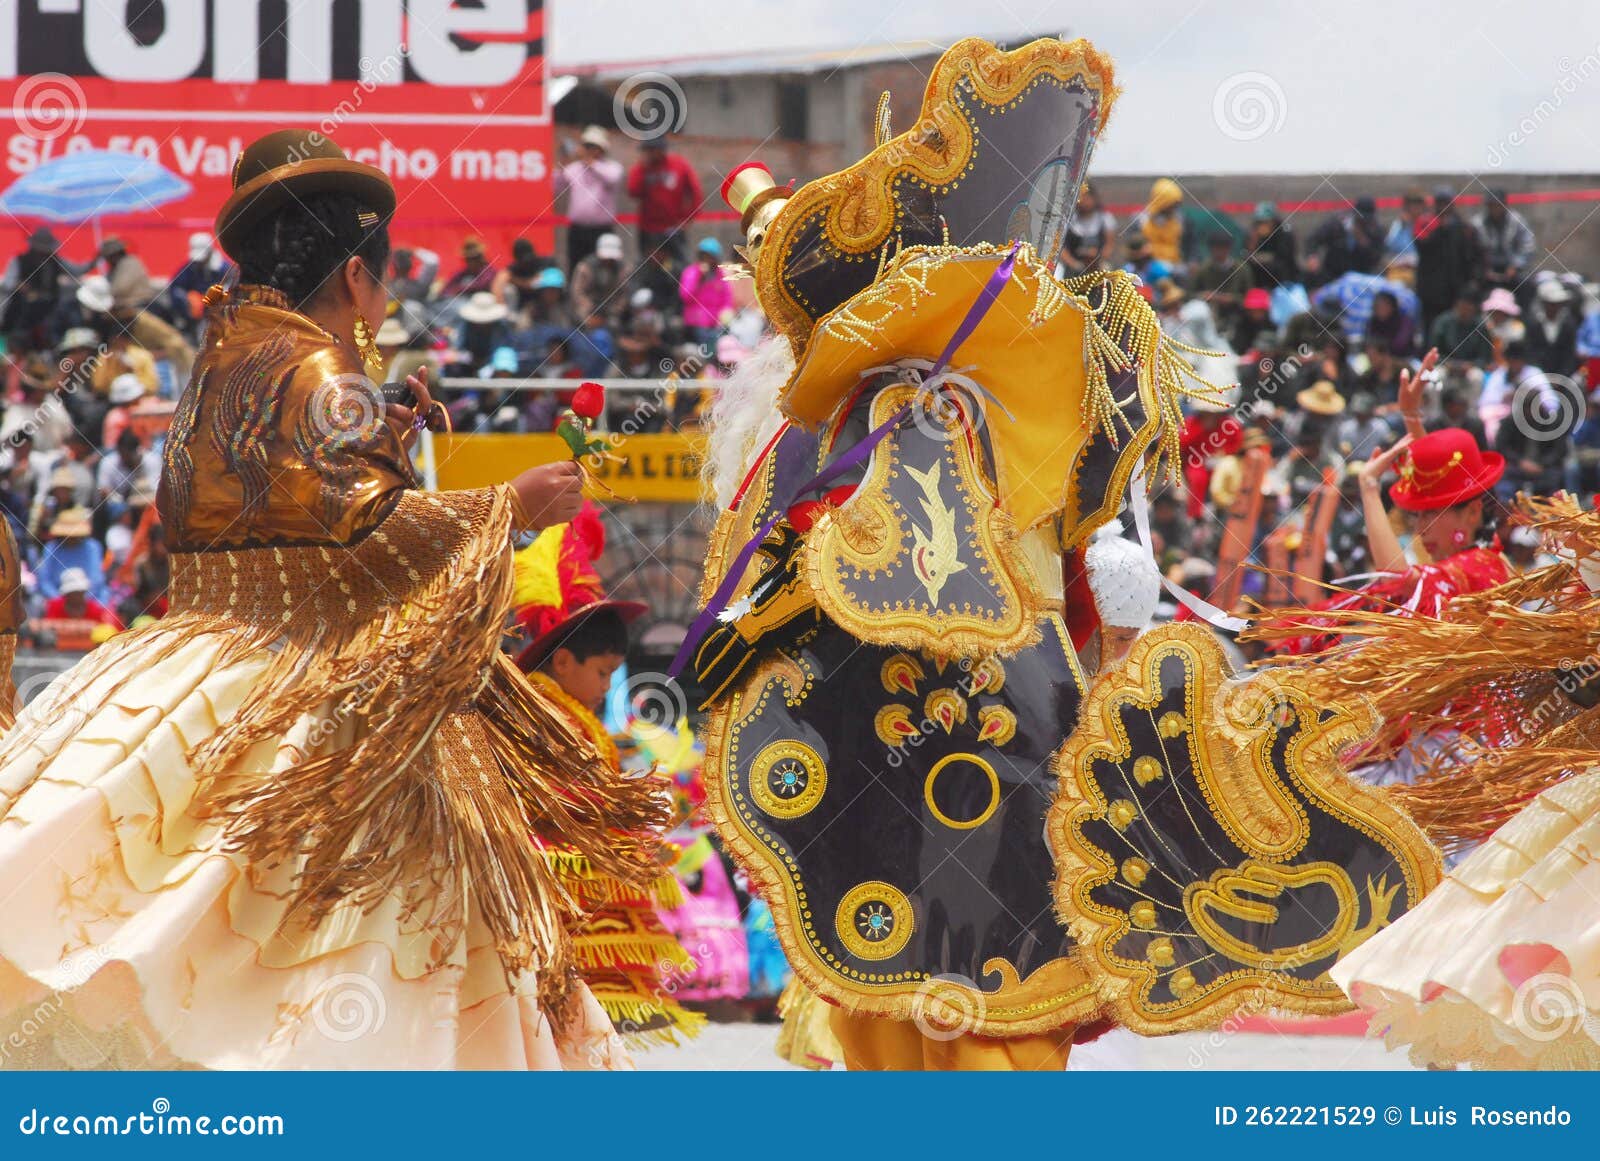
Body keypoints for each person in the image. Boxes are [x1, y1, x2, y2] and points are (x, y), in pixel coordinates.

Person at [695, 39, 1436, 1070]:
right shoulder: (876, 418)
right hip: (904, 739)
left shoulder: (983, 415)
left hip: (1005, 733)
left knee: (994, 980)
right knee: (921, 995)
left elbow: (1081, 572)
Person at [0, 129, 667, 1071]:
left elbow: (275, 508)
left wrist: (380, 440)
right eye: (384, 287)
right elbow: (364, 534)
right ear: (356, 274)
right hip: (302, 671)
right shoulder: (317, 367)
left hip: (188, 660)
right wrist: (509, 504)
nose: (385, 309)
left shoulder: (224, 357)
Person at [511, 507, 702, 1047]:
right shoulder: (541, 711)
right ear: (563, 661)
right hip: (556, 890)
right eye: (601, 673)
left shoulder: (571, 713)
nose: (605, 685)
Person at [627, 135, 703, 270]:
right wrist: (642, 169)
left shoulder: (679, 165)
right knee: (647, 267)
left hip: (673, 228)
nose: (648, 154)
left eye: (651, 150)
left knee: (680, 267)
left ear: (661, 149)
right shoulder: (642, 169)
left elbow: (695, 192)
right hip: (648, 229)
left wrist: (688, 219)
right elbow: (633, 191)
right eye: (646, 150)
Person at [1415, 186, 1484, 330]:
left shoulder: (1463, 227)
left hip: (1455, 289)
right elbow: (1421, 245)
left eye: (1446, 203)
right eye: (1440, 203)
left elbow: (1473, 254)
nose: (1443, 207)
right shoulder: (1425, 222)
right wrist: (1439, 229)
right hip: (1430, 290)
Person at [557, 126, 626, 270]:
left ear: (601, 149)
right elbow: (556, 185)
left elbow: (612, 179)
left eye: (592, 146)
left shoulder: (612, 167)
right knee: (576, 266)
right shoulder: (574, 168)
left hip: (601, 229)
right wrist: (563, 162)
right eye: (587, 146)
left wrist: (590, 163)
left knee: (603, 269)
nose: (589, 149)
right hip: (578, 229)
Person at [166, 232, 229, 343]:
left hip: (218, 314)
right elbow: (175, 287)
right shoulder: (189, 267)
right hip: (194, 315)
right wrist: (187, 300)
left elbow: (231, 290)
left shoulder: (224, 269)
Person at [1473, 187, 1537, 291]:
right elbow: (1474, 250)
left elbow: (1528, 246)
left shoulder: (1517, 221)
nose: (1494, 209)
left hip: (1513, 269)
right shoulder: (1478, 223)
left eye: (1497, 205)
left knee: (1528, 286)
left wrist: (1516, 266)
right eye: (1491, 205)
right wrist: (1483, 268)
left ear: (1504, 204)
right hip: (1487, 269)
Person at [679, 237, 732, 350]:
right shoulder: (691, 272)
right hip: (696, 323)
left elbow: (727, 298)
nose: (708, 260)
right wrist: (699, 278)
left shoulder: (720, 274)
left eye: (711, 257)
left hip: (716, 323)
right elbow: (685, 296)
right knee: (705, 340)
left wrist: (725, 314)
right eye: (705, 256)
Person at [1525, 278, 1580, 379]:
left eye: (1558, 304)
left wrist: (1561, 377)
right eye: (1552, 304)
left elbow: (1570, 354)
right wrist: (1541, 377)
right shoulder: (1533, 324)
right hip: (1537, 375)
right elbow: (1530, 352)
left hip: (1563, 377)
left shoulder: (1568, 324)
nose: (1555, 308)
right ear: (1543, 303)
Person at [570, 232, 629, 327]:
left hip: (611, 310)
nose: (608, 260)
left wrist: (614, 309)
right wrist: (590, 308)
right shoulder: (585, 267)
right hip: (588, 308)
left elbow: (624, 294)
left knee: (614, 325)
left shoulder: (622, 269)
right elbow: (577, 292)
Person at [41, 565, 122, 631]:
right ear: (66, 594)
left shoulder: (95, 610)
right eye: (73, 593)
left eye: (79, 592)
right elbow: (47, 627)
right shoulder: (54, 607)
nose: (76, 596)